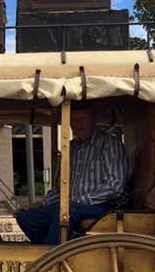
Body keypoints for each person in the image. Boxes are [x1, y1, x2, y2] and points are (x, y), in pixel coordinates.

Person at [15, 105, 129, 245]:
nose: (78, 124)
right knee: (24, 216)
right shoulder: (70, 148)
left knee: (66, 210)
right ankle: (50, 247)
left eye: (83, 118)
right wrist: (40, 204)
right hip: (71, 207)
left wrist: (79, 201)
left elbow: (115, 186)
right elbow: (60, 188)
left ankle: (52, 253)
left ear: (93, 118)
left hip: (102, 207)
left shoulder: (110, 144)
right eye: (74, 120)